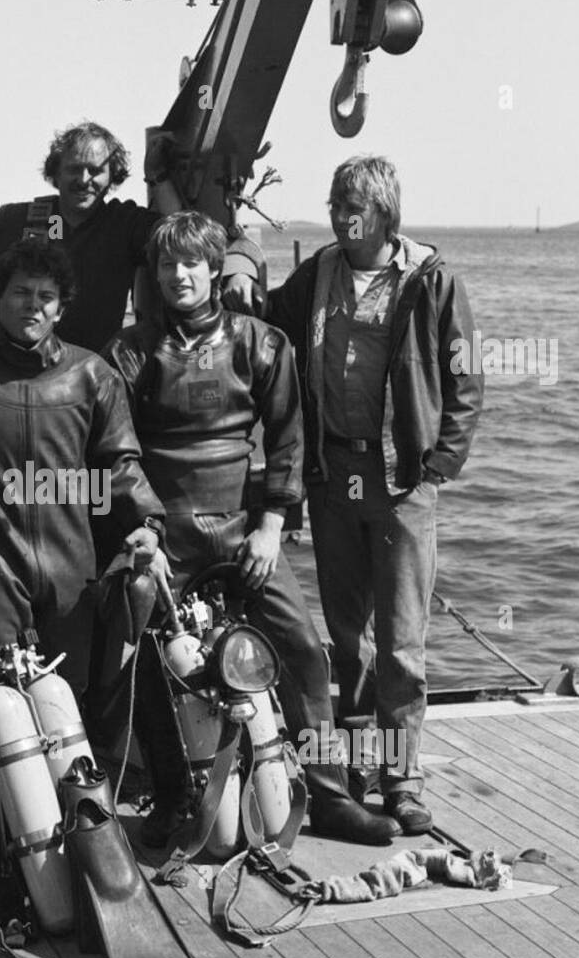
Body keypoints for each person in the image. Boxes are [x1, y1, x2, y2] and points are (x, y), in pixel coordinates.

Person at [103, 210, 399, 846]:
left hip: (243, 529)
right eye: (166, 264)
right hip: (166, 538)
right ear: (152, 274)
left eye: (192, 263)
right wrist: (144, 534)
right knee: (144, 665)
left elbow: (290, 438)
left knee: (306, 655)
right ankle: (175, 799)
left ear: (216, 269)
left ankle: (329, 793)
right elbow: (118, 453)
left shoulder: (261, 342)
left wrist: (271, 526)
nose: (179, 275)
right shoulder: (128, 352)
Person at [264, 155, 484, 835]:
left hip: (401, 485)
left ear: (386, 211)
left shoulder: (432, 280)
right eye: (335, 202)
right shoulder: (320, 271)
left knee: (402, 645)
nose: (341, 215)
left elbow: (466, 378)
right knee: (346, 640)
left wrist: (440, 462)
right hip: (335, 478)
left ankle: (405, 780)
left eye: (354, 205)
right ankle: (358, 772)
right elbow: (266, 327)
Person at [0, 237, 165, 695]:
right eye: (21, 293)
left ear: (61, 309)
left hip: (72, 568)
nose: (33, 306)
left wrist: (146, 521)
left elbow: (119, 462)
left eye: (46, 297)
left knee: (73, 703)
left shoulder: (91, 374)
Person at [0, 121, 261, 353]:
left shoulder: (123, 224)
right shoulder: (12, 220)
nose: (84, 180)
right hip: (11, 371)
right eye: (74, 169)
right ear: (56, 173)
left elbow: (184, 238)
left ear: (111, 176)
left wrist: (240, 272)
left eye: (95, 170)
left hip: (91, 373)